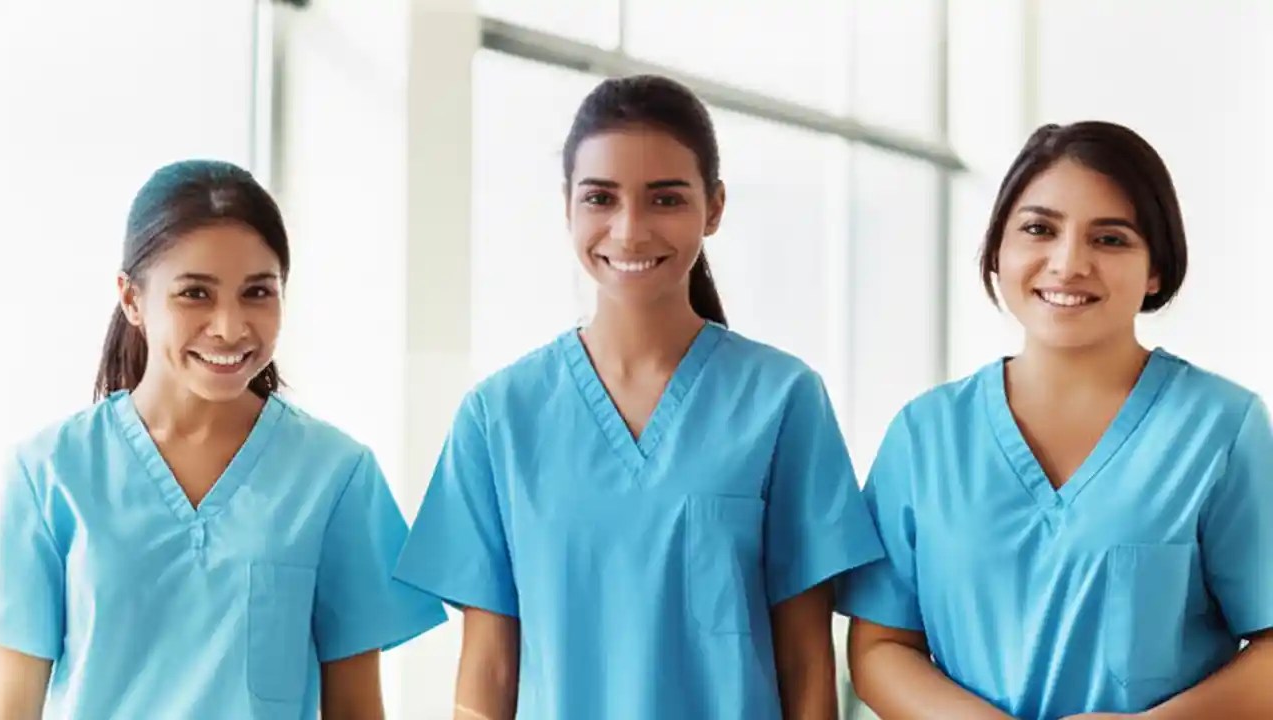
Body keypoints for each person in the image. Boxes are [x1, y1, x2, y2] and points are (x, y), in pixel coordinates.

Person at [393, 75, 883, 720]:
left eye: (665, 199)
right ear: (567, 205)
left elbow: (806, 661)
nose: (629, 230)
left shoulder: (783, 401)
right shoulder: (499, 417)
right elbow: (488, 669)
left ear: (714, 207)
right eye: (601, 197)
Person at [841, 121, 1273, 720]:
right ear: (998, 250)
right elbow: (881, 645)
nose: (1069, 263)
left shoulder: (1221, 429)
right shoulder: (926, 435)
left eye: (1112, 239)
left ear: (1156, 269)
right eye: (1039, 229)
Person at [0, 160, 446, 719]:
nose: (230, 327)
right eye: (194, 294)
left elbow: (355, 708)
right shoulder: (47, 474)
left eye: (258, 292)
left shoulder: (335, 476)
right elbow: (11, 707)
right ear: (132, 299)